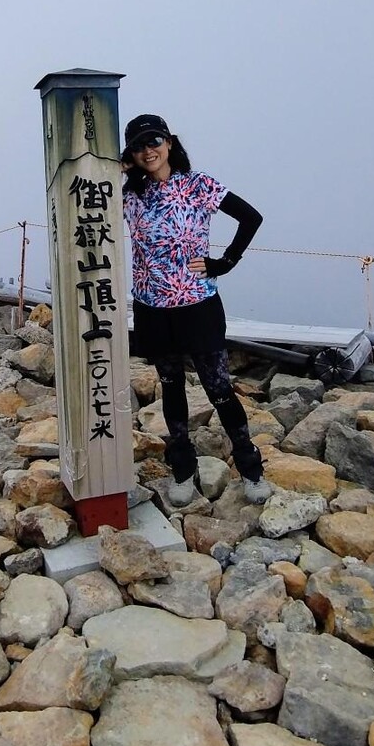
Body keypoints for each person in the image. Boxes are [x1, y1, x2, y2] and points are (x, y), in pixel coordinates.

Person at [121, 113, 272, 505]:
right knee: (171, 389)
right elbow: (86, 190)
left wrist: (226, 261)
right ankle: (183, 469)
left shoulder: (198, 185)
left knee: (218, 388)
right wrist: (119, 165)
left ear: (170, 142)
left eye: (154, 141)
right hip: (152, 306)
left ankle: (250, 467)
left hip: (198, 304)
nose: (148, 150)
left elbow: (250, 217)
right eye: (138, 146)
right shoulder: (129, 195)